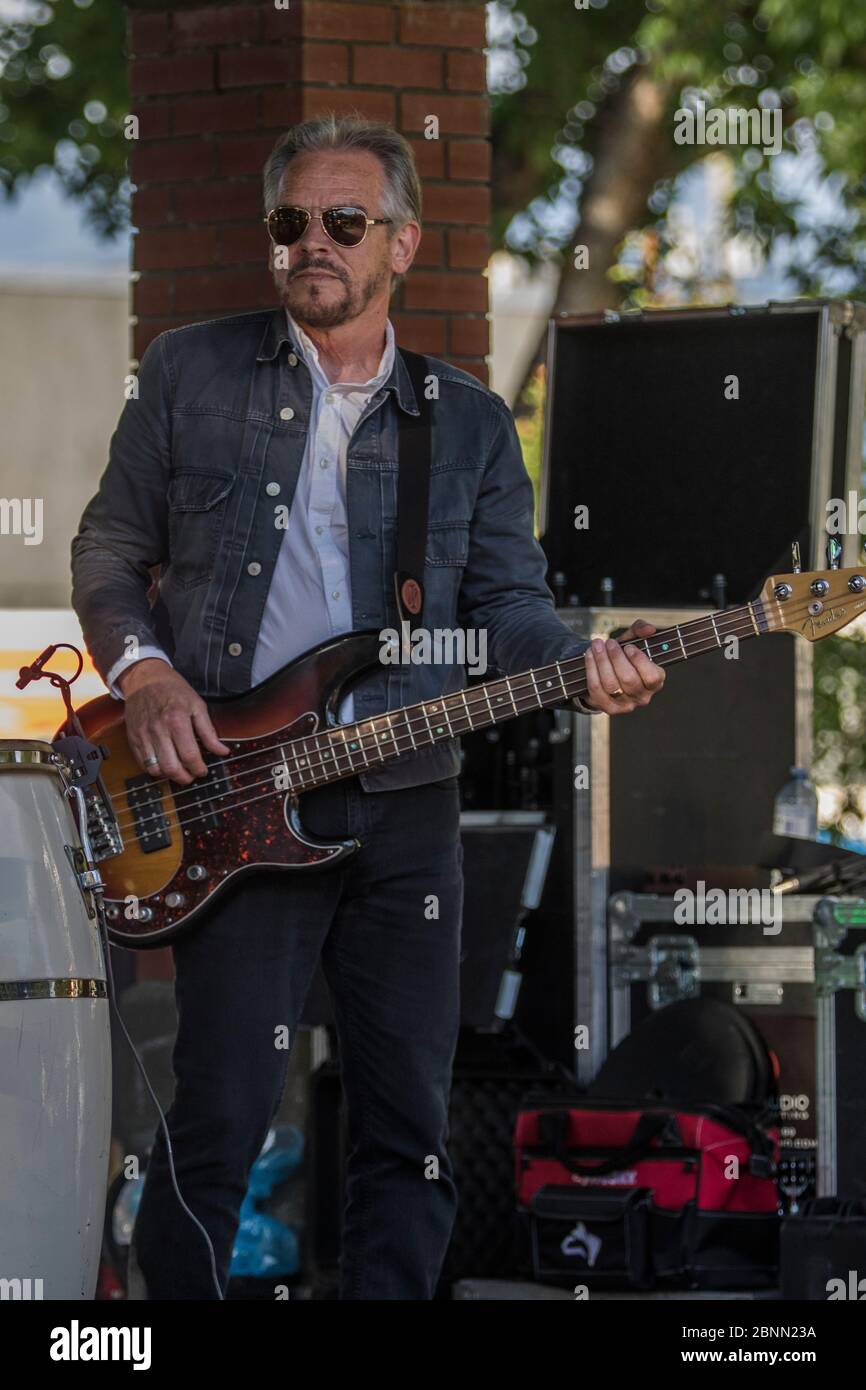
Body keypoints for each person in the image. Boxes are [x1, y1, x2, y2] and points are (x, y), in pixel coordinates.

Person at [71, 114, 666, 1300]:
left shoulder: (467, 420)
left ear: (402, 240)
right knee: (222, 1111)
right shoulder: (189, 370)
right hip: (230, 794)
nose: (311, 244)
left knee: (411, 1115)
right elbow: (106, 547)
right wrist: (142, 671)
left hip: (402, 801)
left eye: (343, 222)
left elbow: (507, 605)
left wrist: (584, 662)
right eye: (289, 222)